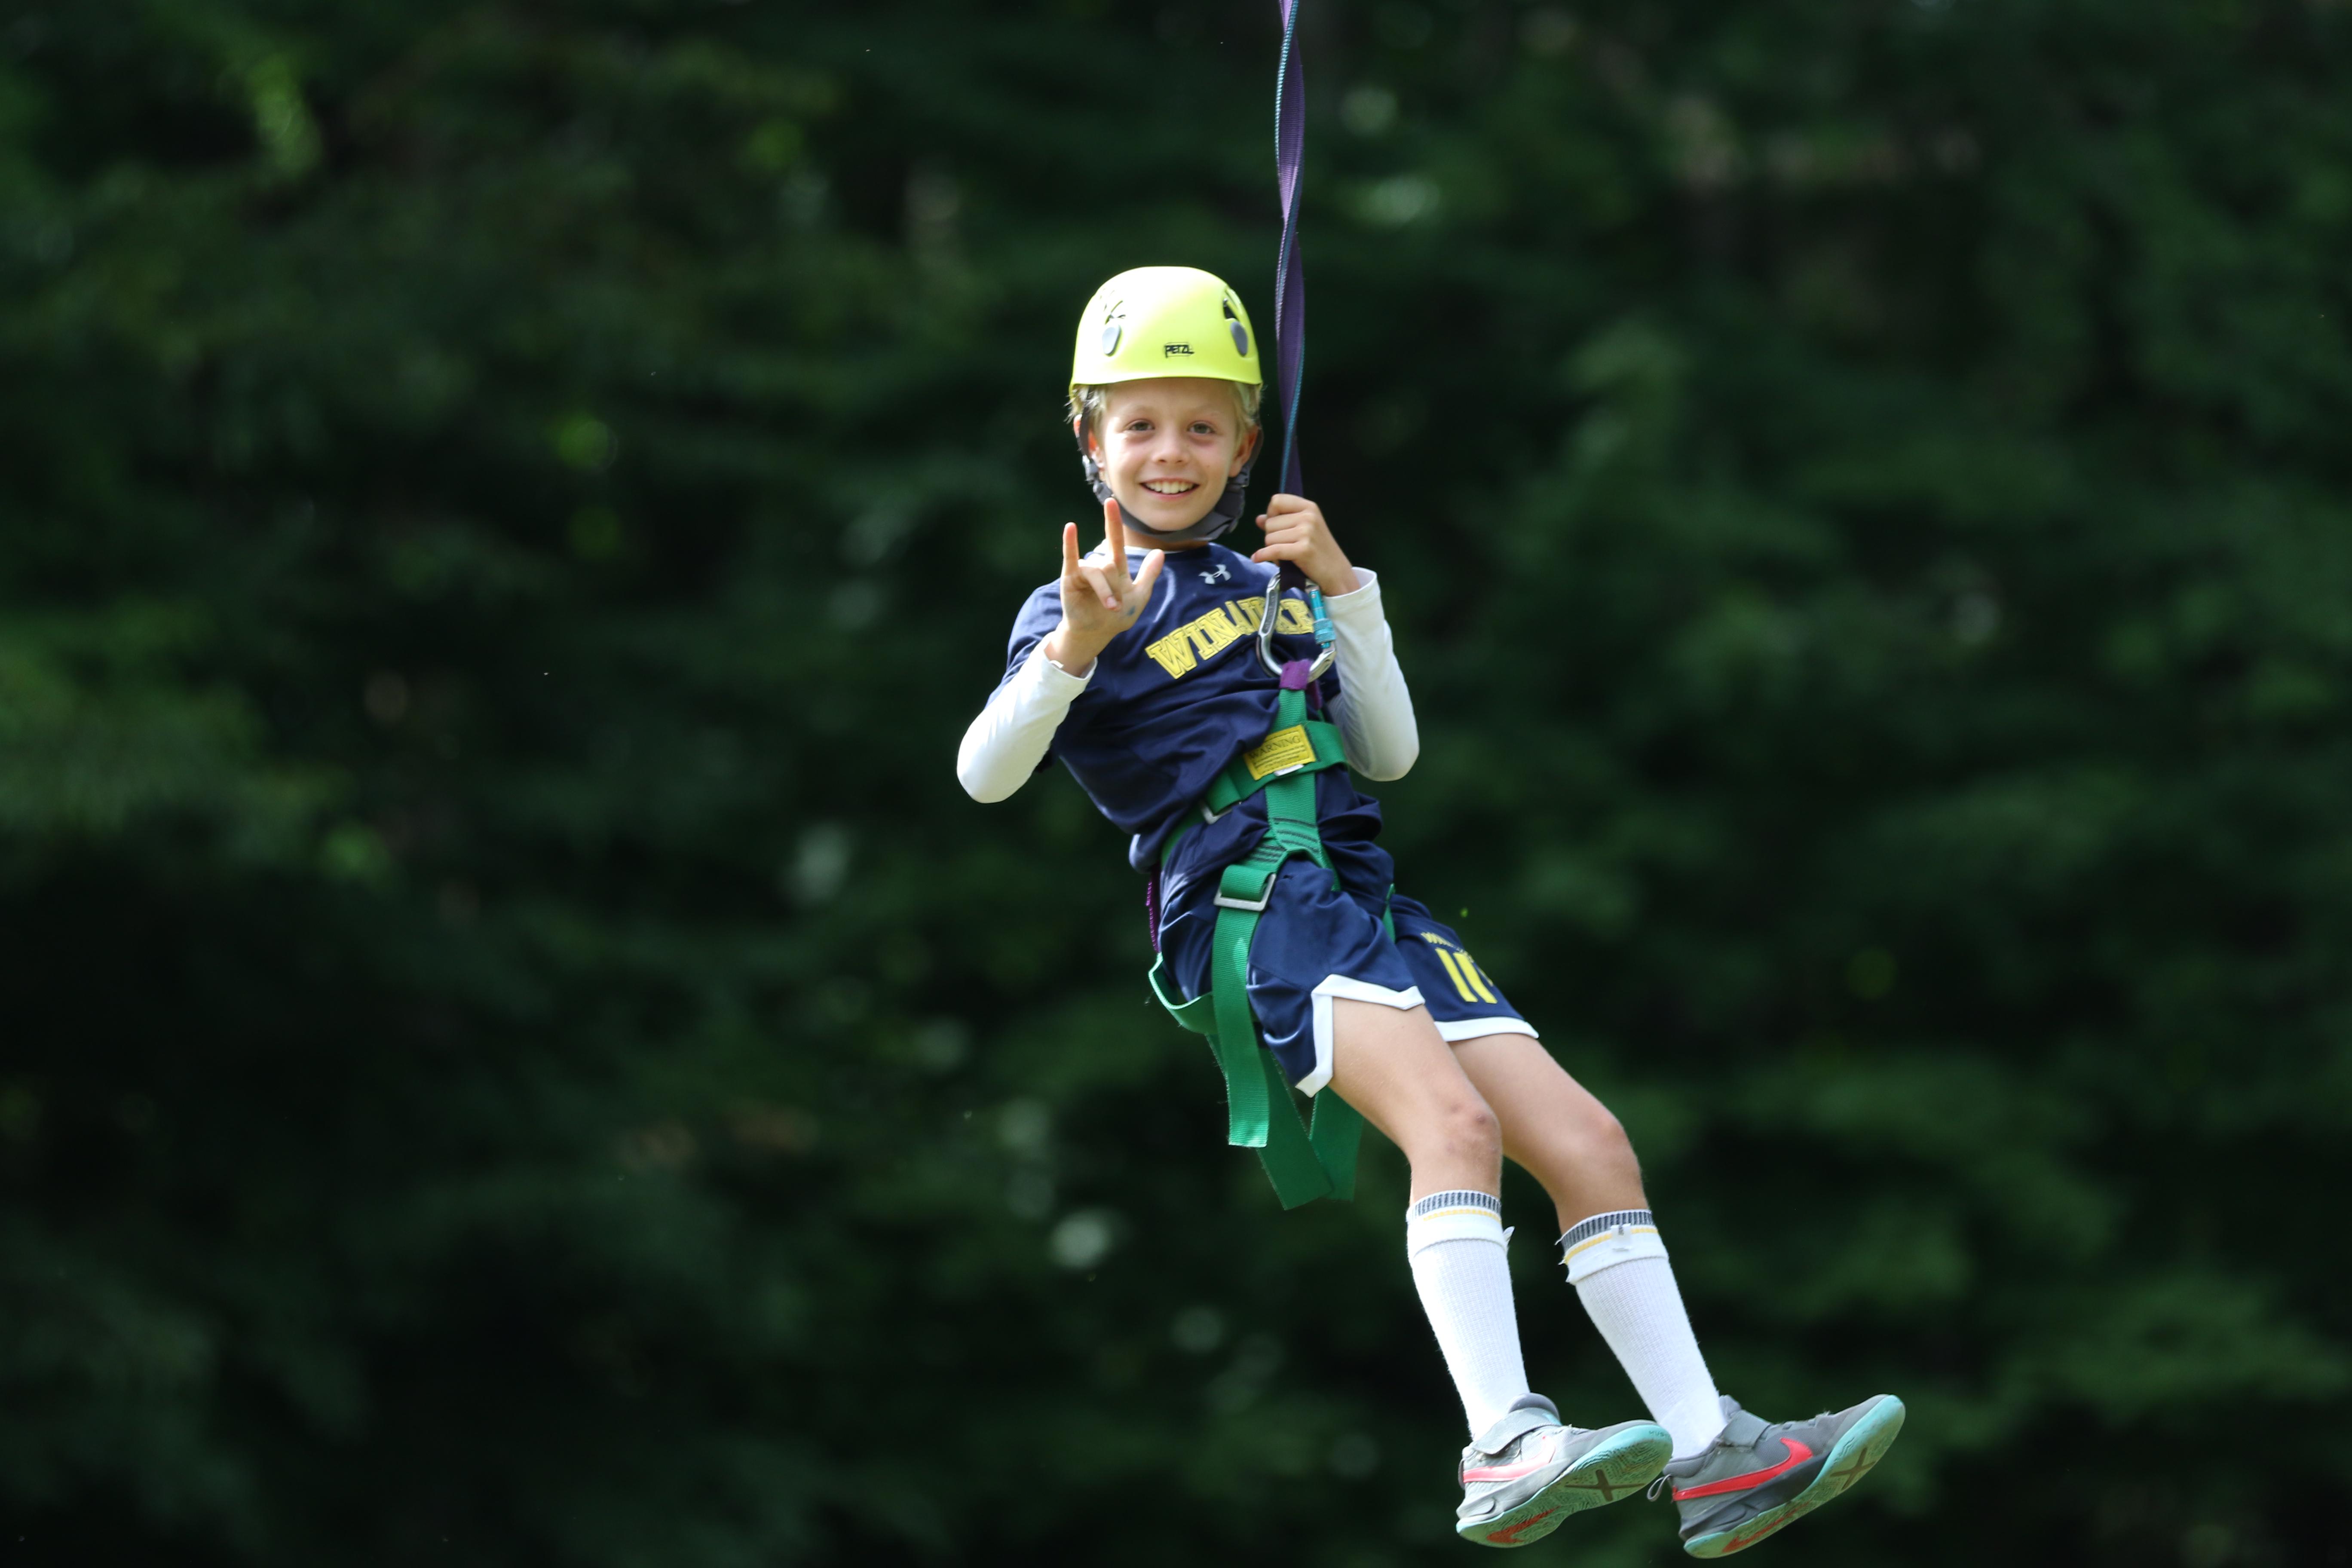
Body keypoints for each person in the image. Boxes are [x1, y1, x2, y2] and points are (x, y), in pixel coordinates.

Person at [956, 266, 1904, 1554]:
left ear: (1244, 443)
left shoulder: (1273, 582)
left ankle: (1713, 1451)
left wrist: (1347, 592)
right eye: (1140, 424)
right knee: (1450, 1129)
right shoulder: (1082, 608)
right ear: (1091, 441)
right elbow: (986, 772)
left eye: (1200, 425)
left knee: (1589, 1144)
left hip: (1364, 893)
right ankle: (1505, 1444)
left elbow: (1388, 751)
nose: (1169, 452)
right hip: (1255, 902)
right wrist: (1071, 649)